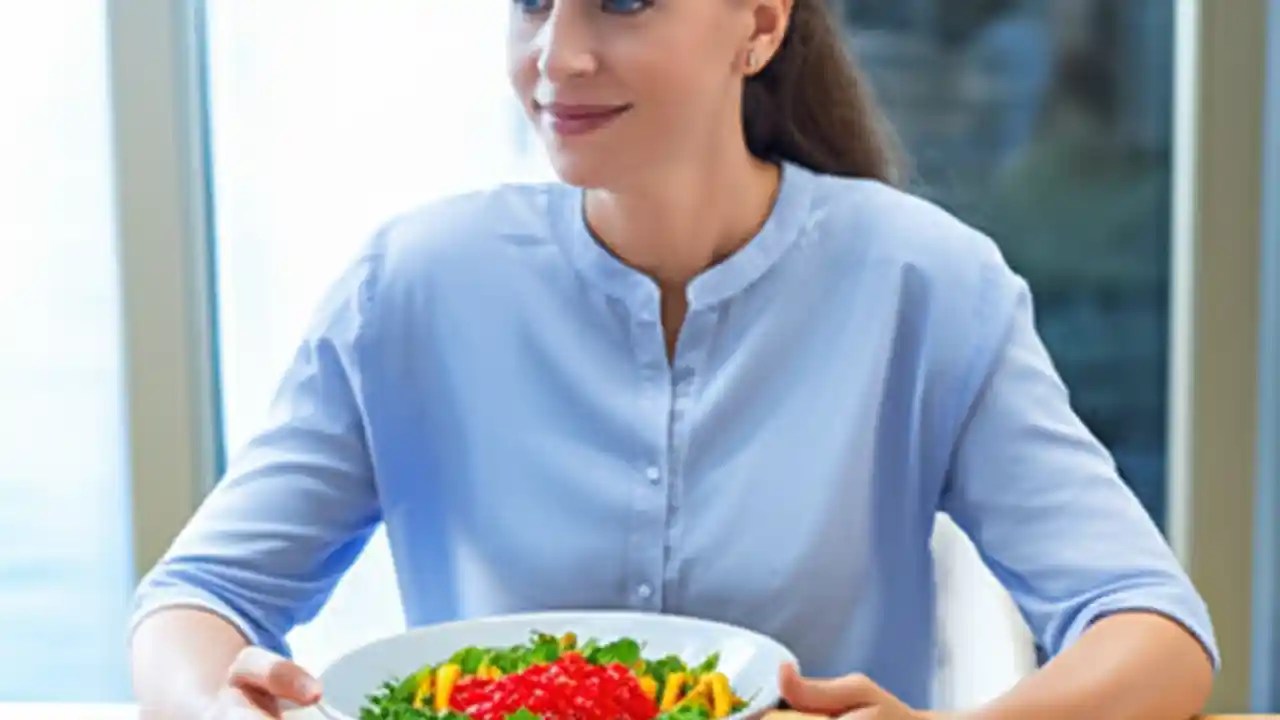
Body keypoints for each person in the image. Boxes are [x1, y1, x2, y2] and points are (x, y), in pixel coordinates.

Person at [129, 1, 1217, 718]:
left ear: (756, 23)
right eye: (529, 3)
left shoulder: (924, 285)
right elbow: (196, 596)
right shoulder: (409, 288)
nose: (555, 56)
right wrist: (218, 705)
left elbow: (1153, 630)